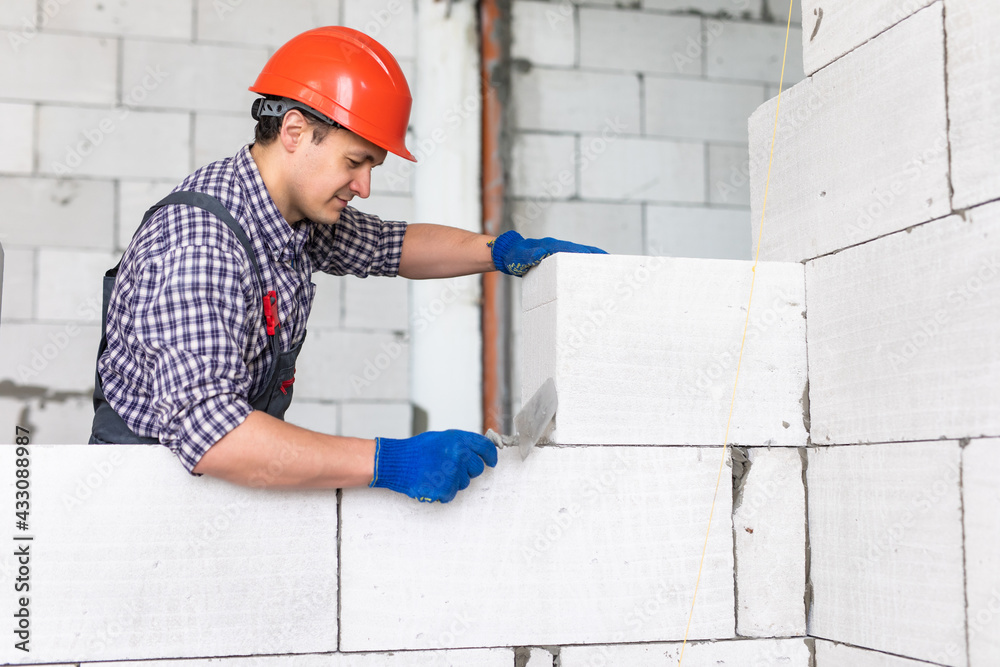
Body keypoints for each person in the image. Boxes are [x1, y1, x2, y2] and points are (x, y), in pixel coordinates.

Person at [89, 26, 605, 503]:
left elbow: (391, 246)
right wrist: (389, 461)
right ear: (294, 131)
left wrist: (500, 252)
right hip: (145, 502)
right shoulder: (202, 245)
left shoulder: (290, 215)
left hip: (217, 494)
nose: (364, 187)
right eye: (354, 162)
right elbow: (216, 436)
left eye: (371, 167)